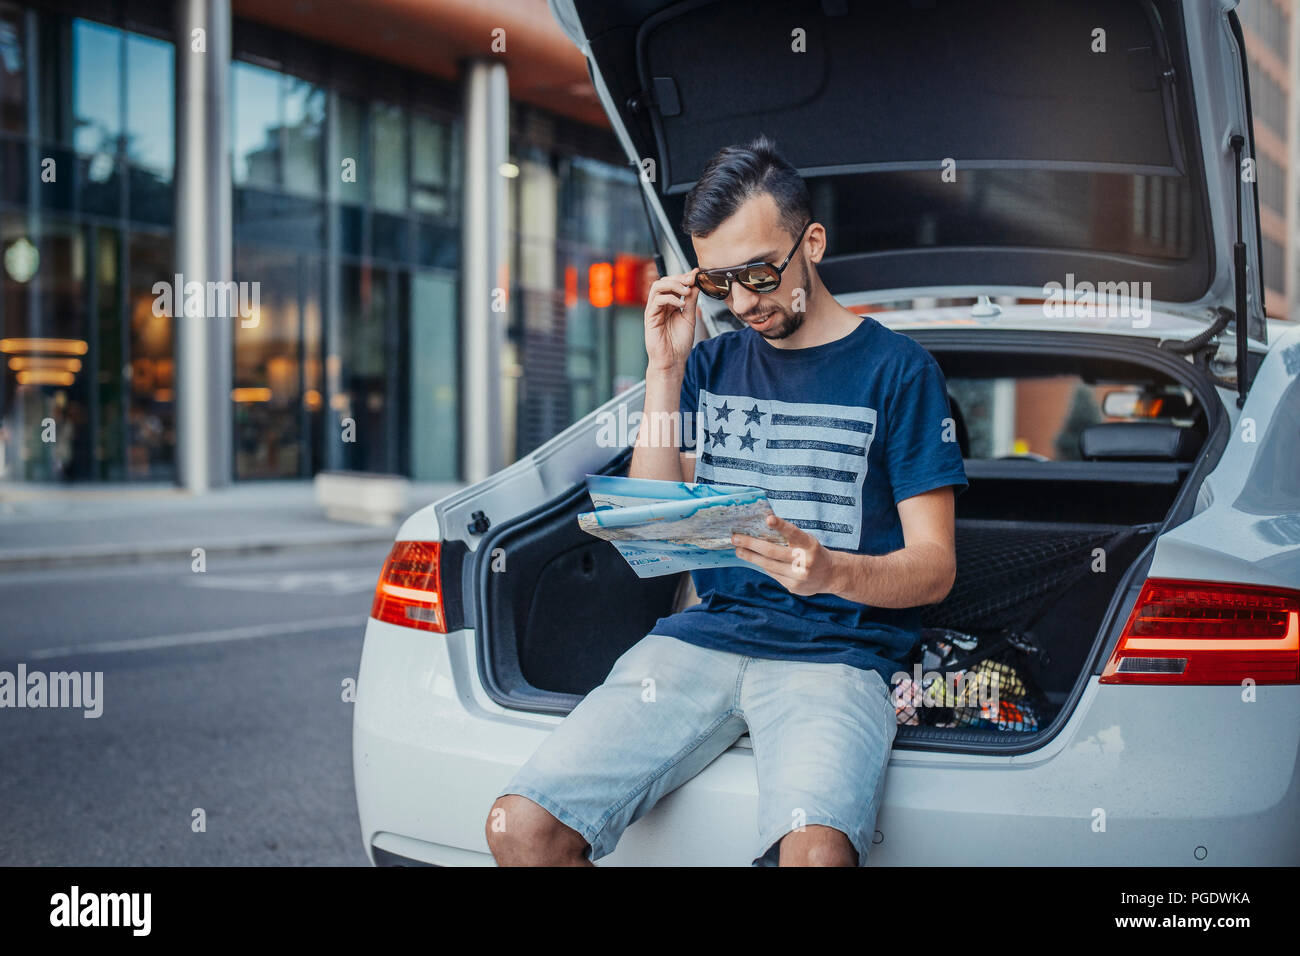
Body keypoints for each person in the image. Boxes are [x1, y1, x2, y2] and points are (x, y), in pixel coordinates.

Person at [487, 135, 967, 866]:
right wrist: (664, 368)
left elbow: (935, 568)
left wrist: (830, 569)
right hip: (704, 642)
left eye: (761, 273)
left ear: (812, 242)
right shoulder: (707, 364)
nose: (743, 302)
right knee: (519, 829)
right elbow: (651, 516)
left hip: (837, 660)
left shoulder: (900, 372)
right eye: (719, 283)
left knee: (816, 858)